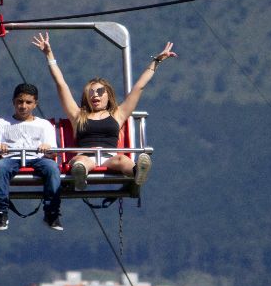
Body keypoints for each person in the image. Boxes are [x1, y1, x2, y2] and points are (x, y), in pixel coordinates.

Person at [31, 32, 176, 190]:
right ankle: (80, 175)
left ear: (109, 96)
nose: (95, 96)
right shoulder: (77, 115)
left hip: (109, 157)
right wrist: (49, 54)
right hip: (85, 156)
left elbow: (138, 87)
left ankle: (137, 172)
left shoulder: (118, 114)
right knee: (81, 162)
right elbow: (61, 85)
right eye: (91, 92)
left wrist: (156, 61)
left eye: (100, 92)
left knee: (123, 160)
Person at [0, 83, 61, 232]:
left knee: (52, 168)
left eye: (28, 102)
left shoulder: (44, 125)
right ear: (14, 102)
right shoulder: (2, 123)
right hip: (11, 157)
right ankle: (0, 212)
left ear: (35, 104)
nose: (23, 106)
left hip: (38, 157)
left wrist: (47, 149)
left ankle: (52, 211)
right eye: (20, 102)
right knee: (0, 167)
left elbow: (53, 153)